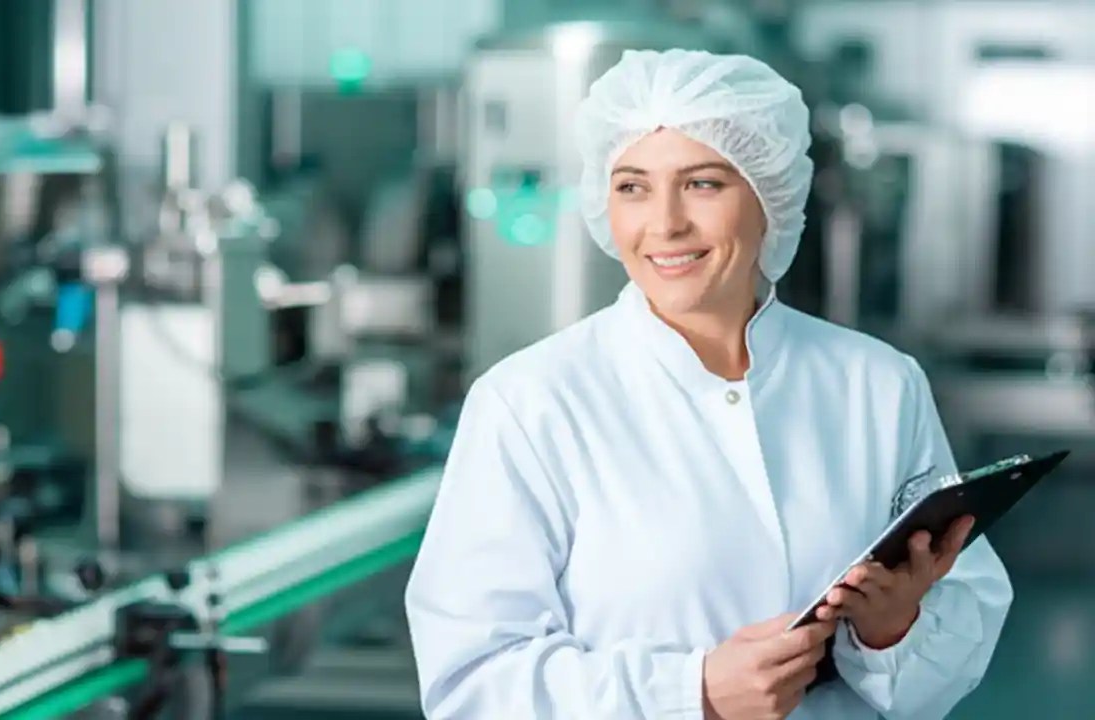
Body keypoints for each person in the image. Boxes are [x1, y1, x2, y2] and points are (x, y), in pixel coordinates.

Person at [404, 48, 1012, 719]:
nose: (663, 224)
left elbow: (963, 633)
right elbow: (471, 684)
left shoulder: (878, 385)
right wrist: (689, 692)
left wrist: (890, 631)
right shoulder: (530, 401)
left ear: (770, 195)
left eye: (702, 184)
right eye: (632, 186)